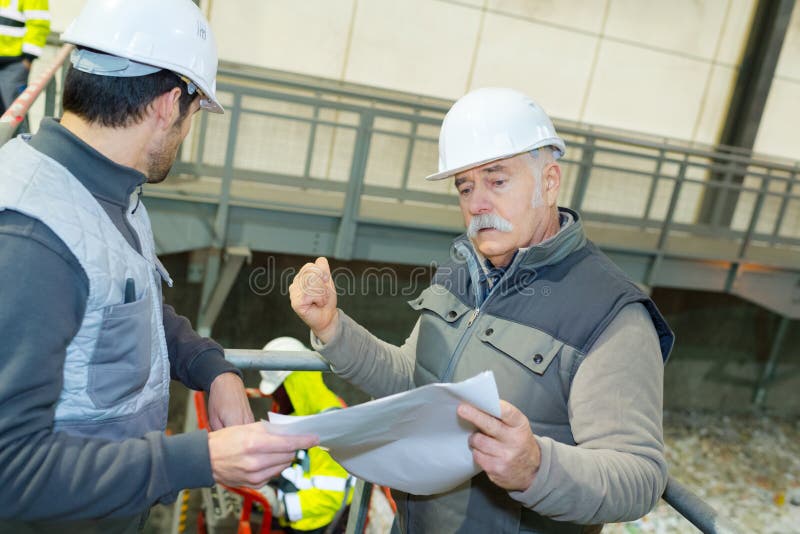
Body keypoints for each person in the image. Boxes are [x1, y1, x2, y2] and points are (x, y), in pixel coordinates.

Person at [290, 87, 675, 533]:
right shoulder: (462, 269)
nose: (477, 204)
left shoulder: (611, 315)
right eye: (465, 187)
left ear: (550, 182)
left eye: (497, 180)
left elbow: (641, 476)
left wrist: (536, 467)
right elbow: (411, 379)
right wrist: (333, 327)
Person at [0, 1, 316, 531]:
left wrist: (212, 368)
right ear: (170, 104)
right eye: (194, 114)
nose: (187, 130)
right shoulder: (33, 235)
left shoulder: (109, 193)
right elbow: (10, 473)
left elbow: (129, 310)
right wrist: (199, 459)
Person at [258, 337, 355, 534]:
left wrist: (281, 505)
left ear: (294, 386)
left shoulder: (328, 426)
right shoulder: (311, 412)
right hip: (305, 514)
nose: (274, 397)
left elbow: (329, 498)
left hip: (319, 524)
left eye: (277, 390)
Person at [0, 0, 50, 132]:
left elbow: (39, 24)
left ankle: (19, 147)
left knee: (14, 112)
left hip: (14, 64)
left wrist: (28, 59)